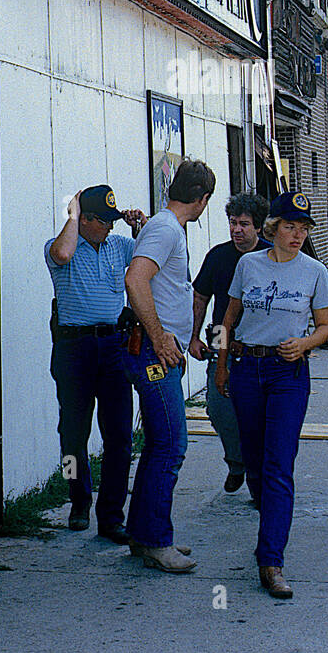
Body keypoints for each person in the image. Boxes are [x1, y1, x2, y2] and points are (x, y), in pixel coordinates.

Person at [215, 191, 328, 598]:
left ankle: (271, 560)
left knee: (280, 463)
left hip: (288, 373)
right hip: (248, 368)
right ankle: (270, 527)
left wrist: (305, 345)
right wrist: (222, 363)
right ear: (272, 228)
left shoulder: (315, 272)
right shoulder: (248, 265)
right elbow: (229, 317)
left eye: (303, 229)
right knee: (255, 462)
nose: (297, 235)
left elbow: (324, 326)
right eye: (289, 227)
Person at [124, 158, 216, 572]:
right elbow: (135, 279)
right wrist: (161, 336)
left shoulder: (162, 227)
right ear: (202, 199)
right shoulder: (165, 229)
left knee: (160, 443)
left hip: (163, 350)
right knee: (171, 444)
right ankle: (157, 541)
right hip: (153, 352)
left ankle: (145, 533)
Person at [45, 185, 146, 541]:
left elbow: (152, 261)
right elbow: (62, 251)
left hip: (113, 345)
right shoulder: (62, 245)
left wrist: (139, 228)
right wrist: (70, 216)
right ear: (84, 219)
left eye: (112, 220)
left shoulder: (119, 245)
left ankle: (111, 516)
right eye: (102, 220)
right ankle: (78, 499)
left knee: (119, 436)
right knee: (73, 434)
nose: (109, 227)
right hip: (75, 349)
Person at [189, 192, 270, 494]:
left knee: (257, 414)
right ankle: (237, 462)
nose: (237, 230)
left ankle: (258, 476)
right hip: (221, 338)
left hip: (258, 344)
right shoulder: (218, 257)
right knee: (219, 408)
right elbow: (200, 297)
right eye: (233, 223)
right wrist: (194, 336)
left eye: (244, 224)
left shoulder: (271, 256)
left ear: (259, 227)